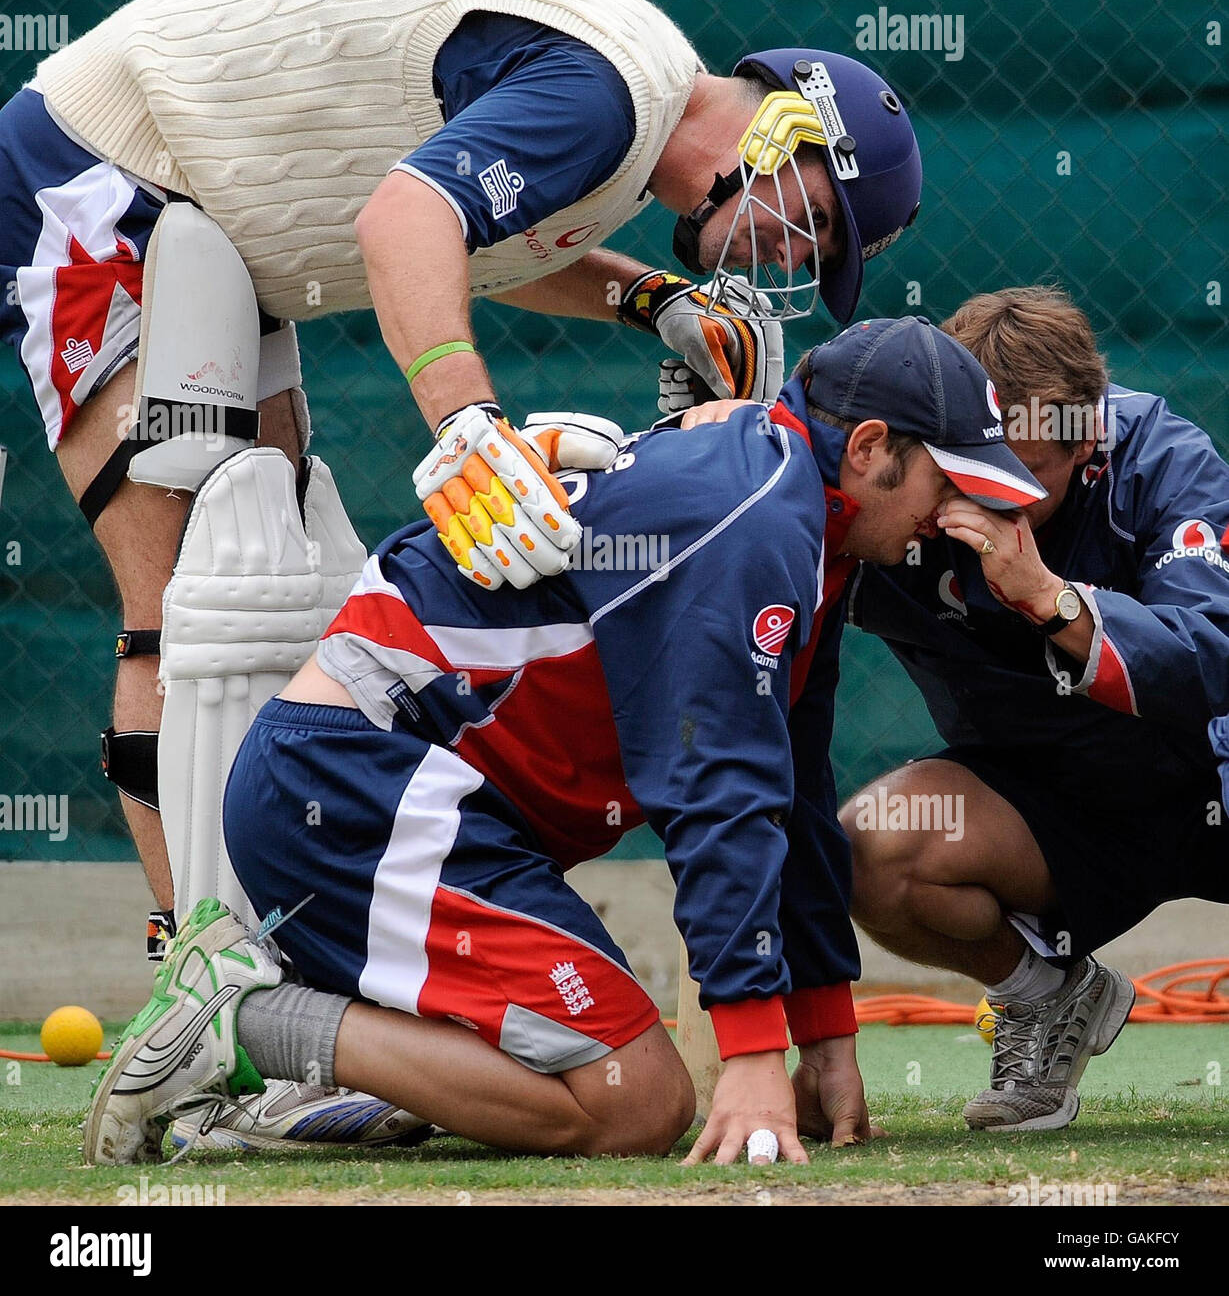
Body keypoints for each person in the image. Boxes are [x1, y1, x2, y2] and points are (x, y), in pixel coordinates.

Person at [0, 0, 922, 995]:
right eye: (815, 219)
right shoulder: (611, 98)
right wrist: (464, 422)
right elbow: (407, 218)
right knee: (190, 609)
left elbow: (467, 228)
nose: (796, 256)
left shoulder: (620, 119)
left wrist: (644, 297)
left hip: (202, 219)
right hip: (105, 171)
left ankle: (271, 976)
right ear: (781, 135)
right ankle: (199, 987)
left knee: (277, 588)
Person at [81, 316, 1043, 1166]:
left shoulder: (794, 510)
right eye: (945, 480)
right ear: (870, 446)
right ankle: (240, 1022)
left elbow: (789, 778)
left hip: (398, 797)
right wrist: (752, 1053)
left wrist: (823, 1024)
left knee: (609, 1081)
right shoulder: (753, 518)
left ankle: (319, 1051)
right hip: (353, 788)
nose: (951, 518)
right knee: (637, 1103)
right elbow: (720, 789)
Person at [839, 287, 1229, 1131]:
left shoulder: (1159, 459)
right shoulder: (900, 484)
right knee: (873, 848)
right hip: (1046, 808)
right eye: (969, 467)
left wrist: (1056, 603)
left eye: (1020, 477)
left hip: (1206, 774)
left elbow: (1217, 652)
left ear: (1086, 438)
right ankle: (1049, 995)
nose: (987, 498)